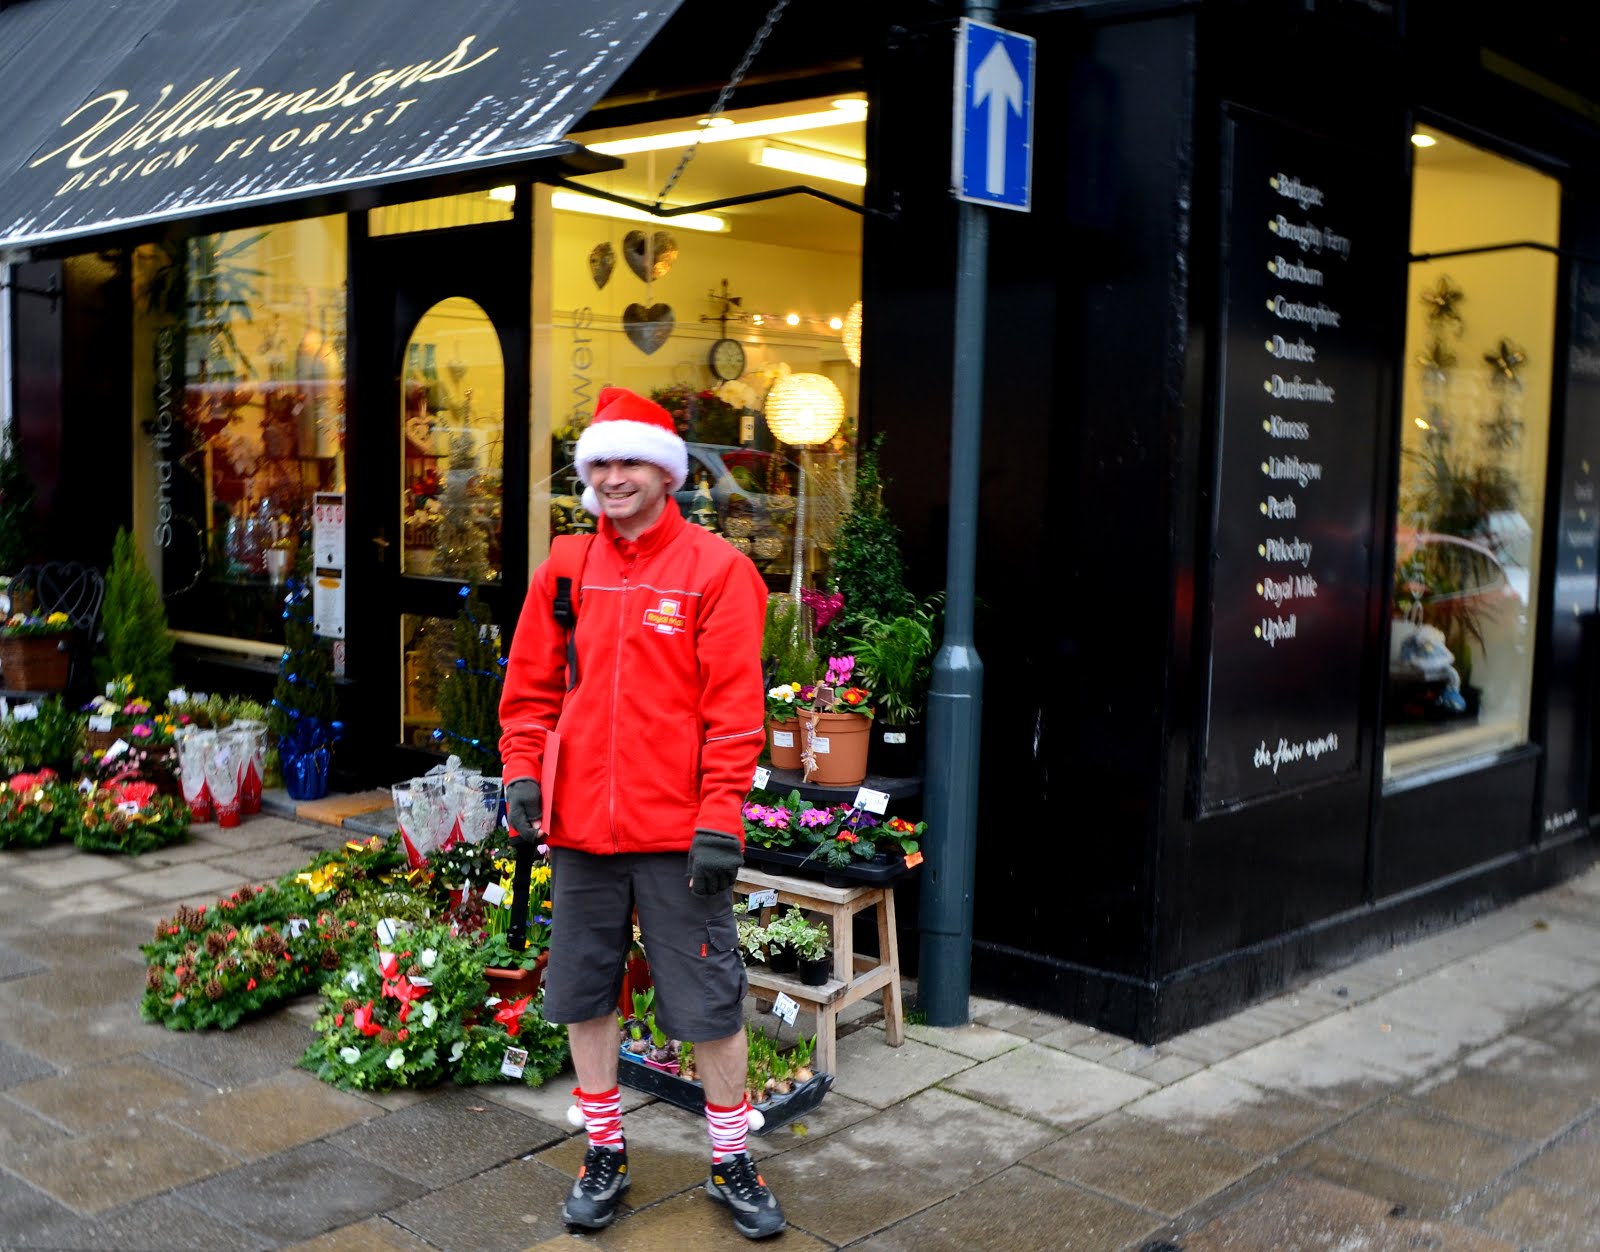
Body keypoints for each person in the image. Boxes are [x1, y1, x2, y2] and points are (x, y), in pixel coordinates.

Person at [498, 386, 784, 1239]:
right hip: (581, 829)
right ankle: (604, 1150)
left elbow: (736, 714)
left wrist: (720, 818)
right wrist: (521, 770)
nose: (614, 478)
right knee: (586, 996)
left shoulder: (718, 573)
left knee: (707, 1005)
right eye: (600, 465)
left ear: (665, 471)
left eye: (630, 462)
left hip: (677, 837)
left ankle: (732, 1158)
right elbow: (530, 690)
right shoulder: (564, 570)